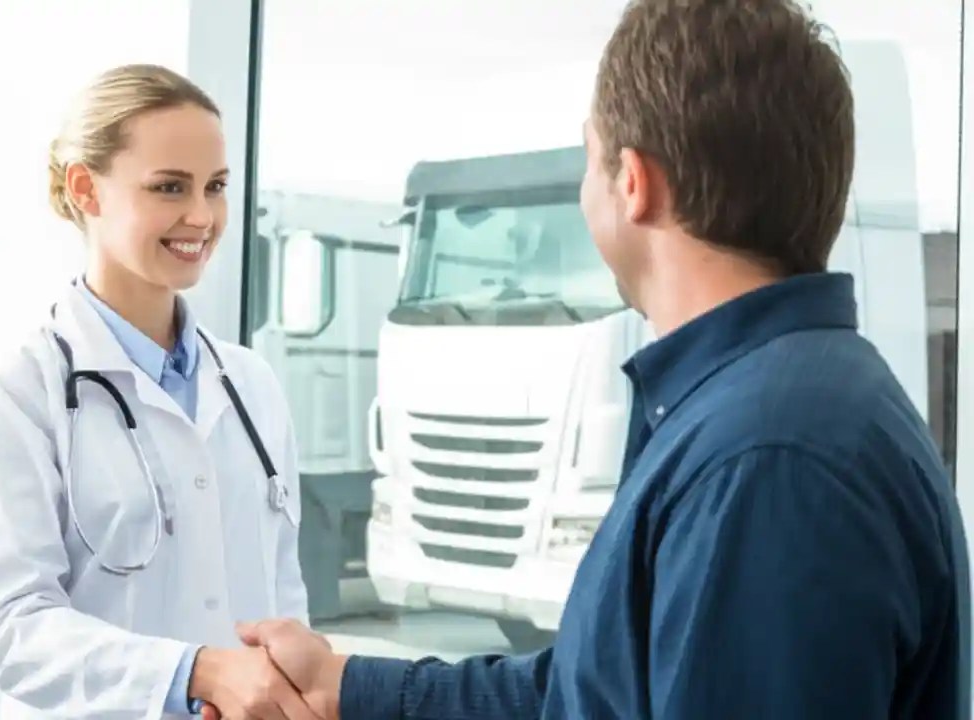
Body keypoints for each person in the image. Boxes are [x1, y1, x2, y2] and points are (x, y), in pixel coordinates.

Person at [230, 1, 971, 718]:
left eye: (590, 159)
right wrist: (344, 686)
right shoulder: (760, 410)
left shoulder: (767, 460)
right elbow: (587, 691)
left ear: (634, 182)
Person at [0, 64, 317, 720]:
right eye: (169, 187)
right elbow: (10, 626)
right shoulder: (26, 390)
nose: (202, 217)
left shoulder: (250, 385)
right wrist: (195, 673)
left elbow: (282, 595)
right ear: (85, 189)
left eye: (216, 187)